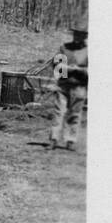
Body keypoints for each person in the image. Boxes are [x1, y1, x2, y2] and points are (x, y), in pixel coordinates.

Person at [49, 19, 88, 150]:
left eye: (81, 35)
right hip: (63, 86)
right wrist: (65, 69)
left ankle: (70, 141)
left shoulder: (89, 51)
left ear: (86, 37)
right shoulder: (64, 48)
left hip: (79, 86)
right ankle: (54, 139)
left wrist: (79, 69)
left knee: (75, 114)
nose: (78, 37)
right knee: (58, 112)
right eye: (76, 34)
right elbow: (56, 66)